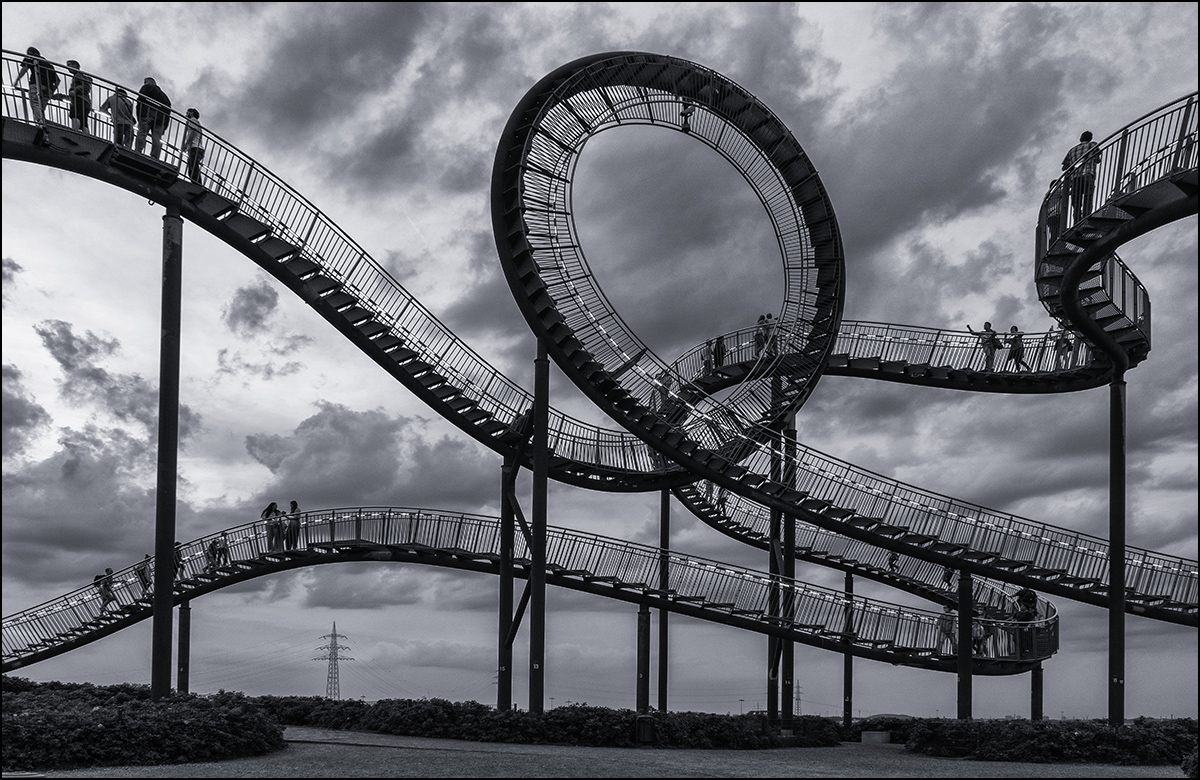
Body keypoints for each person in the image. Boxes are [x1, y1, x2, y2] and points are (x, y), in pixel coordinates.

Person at [13, 47, 59, 125]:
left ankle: (40, 122)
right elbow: (57, 81)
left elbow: (24, 69)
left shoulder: (32, 58)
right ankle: (40, 123)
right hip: (48, 89)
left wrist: (17, 80)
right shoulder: (49, 65)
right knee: (41, 109)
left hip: (36, 84)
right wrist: (51, 92)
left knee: (35, 104)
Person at [1062, 130, 1100, 222]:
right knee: (1088, 196)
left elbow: (1064, 167)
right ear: (1090, 138)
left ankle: (1077, 220)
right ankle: (1086, 217)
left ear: (1080, 139)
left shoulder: (1072, 150)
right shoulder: (1093, 145)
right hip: (1088, 174)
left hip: (1075, 177)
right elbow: (1097, 159)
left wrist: (1074, 165)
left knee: (1076, 201)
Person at [134, 77, 171, 159]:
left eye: (145, 81)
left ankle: (138, 151)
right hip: (160, 120)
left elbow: (140, 100)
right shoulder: (164, 96)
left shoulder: (146, 88)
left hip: (147, 115)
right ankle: (155, 156)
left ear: (150, 82)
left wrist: (140, 116)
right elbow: (168, 111)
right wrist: (164, 126)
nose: (144, 83)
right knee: (157, 138)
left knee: (142, 133)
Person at [64, 60, 93, 133]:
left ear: (75, 66)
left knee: (75, 116)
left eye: (69, 65)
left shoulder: (78, 75)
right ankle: (87, 138)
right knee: (84, 121)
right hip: (86, 101)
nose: (68, 67)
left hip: (79, 99)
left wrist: (75, 91)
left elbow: (85, 86)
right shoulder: (82, 76)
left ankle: (74, 133)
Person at [182, 107, 205, 183]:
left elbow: (193, 132)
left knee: (193, 166)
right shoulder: (196, 122)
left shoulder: (193, 120)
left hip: (194, 147)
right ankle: (195, 183)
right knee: (192, 166)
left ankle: (197, 185)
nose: (186, 113)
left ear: (192, 113)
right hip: (197, 147)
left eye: (188, 112)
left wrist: (186, 144)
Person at [1043, 179, 1064, 245]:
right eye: (1060, 184)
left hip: (1050, 216)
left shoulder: (1047, 195)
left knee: (1053, 234)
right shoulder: (1058, 191)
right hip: (1057, 214)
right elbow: (1067, 192)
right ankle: (1057, 246)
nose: (1061, 185)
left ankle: (1052, 247)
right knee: (1059, 232)